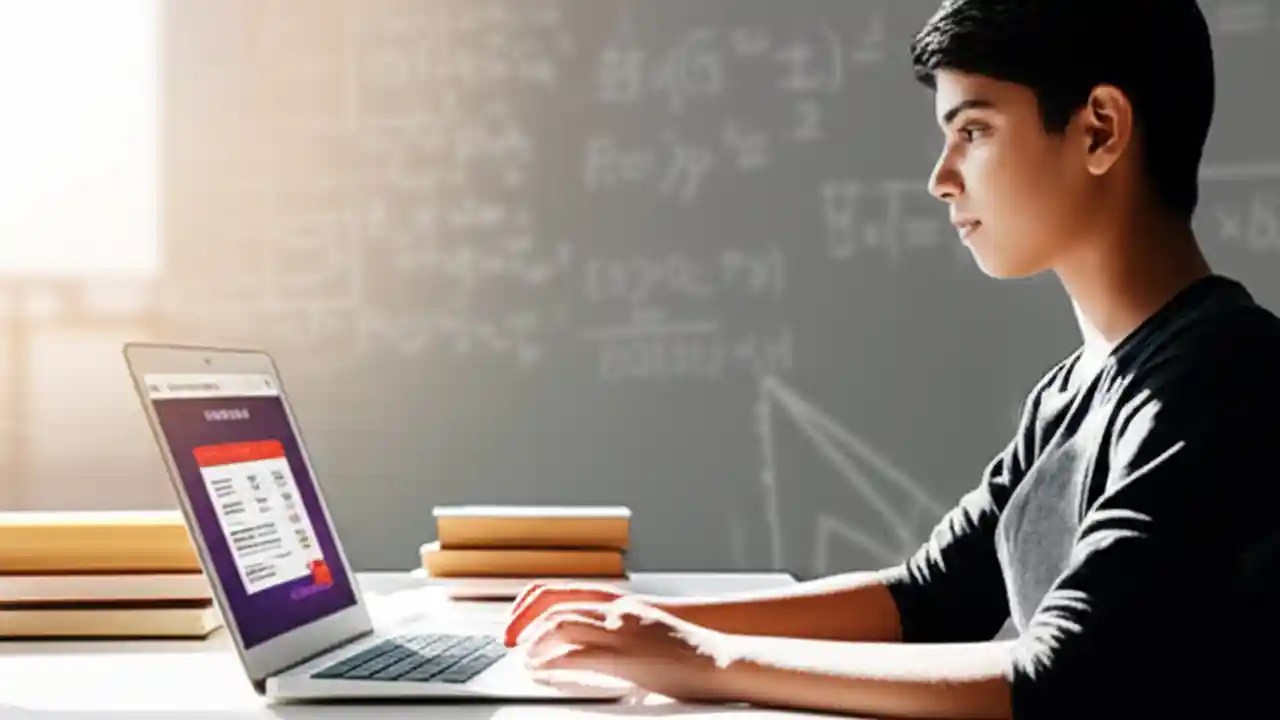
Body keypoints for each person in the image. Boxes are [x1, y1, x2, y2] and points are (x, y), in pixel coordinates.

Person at [502, 1, 1280, 717]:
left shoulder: (1227, 376)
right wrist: (641, 623)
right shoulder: (1073, 392)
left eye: (973, 131)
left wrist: (711, 659)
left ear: (1099, 130)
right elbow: (928, 601)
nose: (941, 179)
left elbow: (1061, 677)